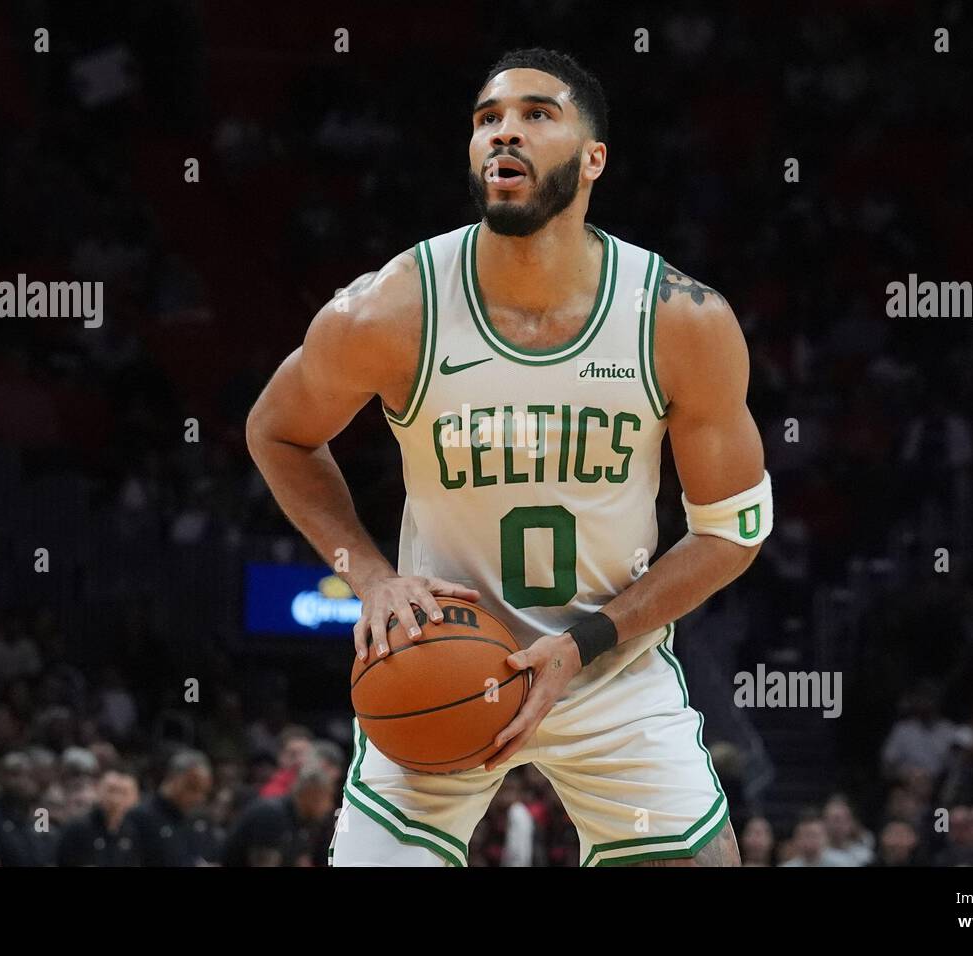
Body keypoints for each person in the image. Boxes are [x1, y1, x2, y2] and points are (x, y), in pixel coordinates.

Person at [247, 46, 770, 868]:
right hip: (440, 657)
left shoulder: (680, 319)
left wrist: (585, 644)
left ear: (594, 157)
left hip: (608, 667)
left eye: (537, 114)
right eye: (488, 119)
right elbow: (277, 432)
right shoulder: (389, 310)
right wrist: (374, 578)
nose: (504, 134)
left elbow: (730, 533)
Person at [223, 764, 336, 867]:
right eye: (327, 797)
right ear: (310, 794)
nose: (330, 805)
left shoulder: (303, 821)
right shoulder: (271, 815)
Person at [124, 750, 216, 866]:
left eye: (203, 792)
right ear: (173, 778)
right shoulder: (140, 817)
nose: (198, 798)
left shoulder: (198, 822)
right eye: (192, 788)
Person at [57, 769, 141, 867]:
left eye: (123, 793)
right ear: (98, 791)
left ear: (135, 798)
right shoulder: (77, 828)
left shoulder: (135, 832)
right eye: (111, 790)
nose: (115, 799)